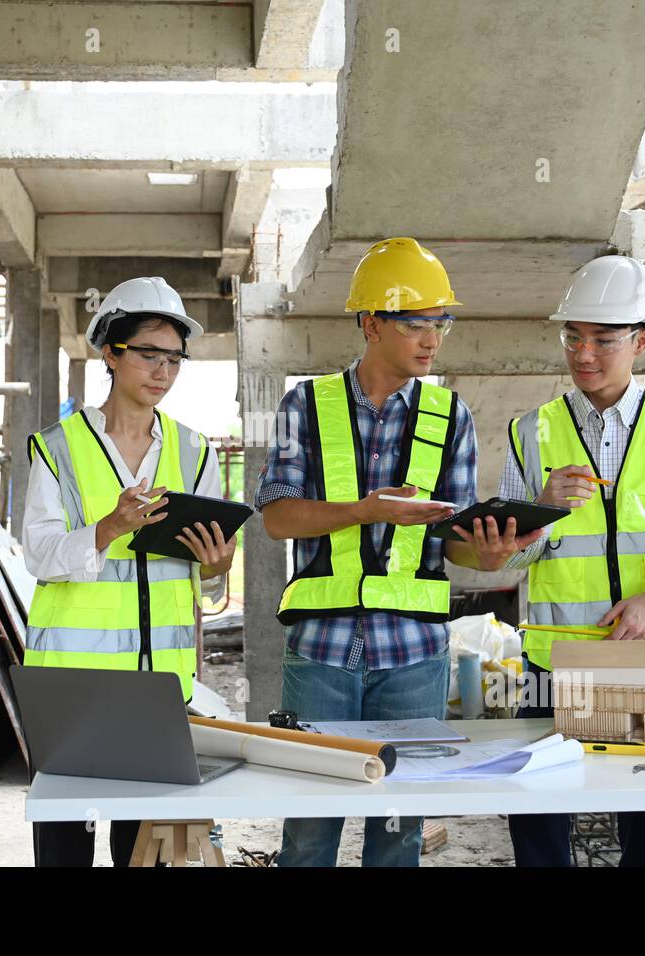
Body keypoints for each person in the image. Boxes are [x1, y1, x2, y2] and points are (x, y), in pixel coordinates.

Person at [256, 237, 537, 867]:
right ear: (371, 323)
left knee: (397, 832)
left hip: (414, 657)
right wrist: (365, 509)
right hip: (321, 652)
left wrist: (489, 558)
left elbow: (453, 540)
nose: (432, 337)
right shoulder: (306, 405)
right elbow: (276, 518)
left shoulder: (450, 414)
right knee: (308, 830)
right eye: (416, 322)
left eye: (441, 322)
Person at [483, 254, 645, 866]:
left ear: (640, 341)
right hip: (554, 654)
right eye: (573, 336)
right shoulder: (531, 433)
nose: (584, 352)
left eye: (602, 338)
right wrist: (539, 509)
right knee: (538, 820)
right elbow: (515, 558)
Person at [19, 276, 238, 867]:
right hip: (73, 686)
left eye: (174, 359)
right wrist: (109, 528)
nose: (162, 371)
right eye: (148, 354)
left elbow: (203, 580)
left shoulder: (196, 453)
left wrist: (217, 569)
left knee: (148, 850)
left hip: (161, 687)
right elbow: (37, 553)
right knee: (65, 847)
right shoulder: (57, 447)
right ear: (109, 353)